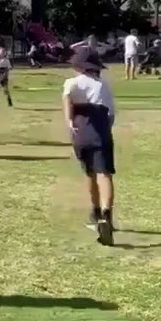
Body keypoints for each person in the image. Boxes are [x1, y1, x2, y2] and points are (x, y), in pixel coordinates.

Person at [63, 45, 117, 246]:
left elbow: (67, 98)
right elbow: (111, 115)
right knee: (104, 173)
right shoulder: (102, 85)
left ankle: (95, 213)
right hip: (100, 129)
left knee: (90, 173)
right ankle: (106, 215)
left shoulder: (71, 83)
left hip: (80, 131)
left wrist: (69, 121)